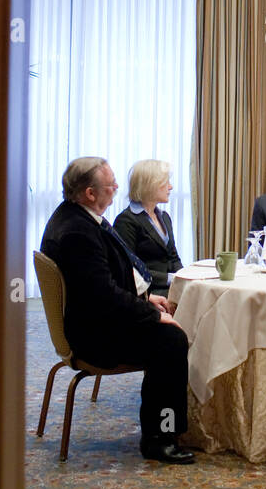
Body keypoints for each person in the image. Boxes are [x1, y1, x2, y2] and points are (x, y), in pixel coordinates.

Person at [40, 156, 194, 465]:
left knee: (169, 332)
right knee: (171, 341)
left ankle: (165, 429)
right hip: (94, 337)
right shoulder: (77, 233)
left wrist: (146, 301)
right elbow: (103, 296)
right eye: (111, 186)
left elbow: (105, 282)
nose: (117, 190)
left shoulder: (76, 217)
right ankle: (160, 437)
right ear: (90, 193)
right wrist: (152, 315)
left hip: (94, 320)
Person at [113, 159, 183, 295]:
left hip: (171, 287)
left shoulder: (164, 217)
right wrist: (172, 279)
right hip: (148, 292)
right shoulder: (126, 221)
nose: (171, 187)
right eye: (166, 182)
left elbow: (173, 258)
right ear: (150, 185)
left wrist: (185, 278)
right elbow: (129, 268)